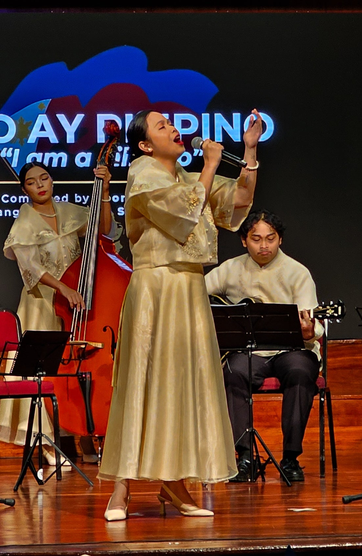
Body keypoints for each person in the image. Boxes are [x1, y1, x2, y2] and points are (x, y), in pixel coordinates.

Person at [98, 109, 262, 521]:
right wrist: (207, 165)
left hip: (188, 288)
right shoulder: (142, 171)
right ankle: (121, 488)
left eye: (172, 123)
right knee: (142, 380)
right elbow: (181, 212)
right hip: (155, 287)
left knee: (183, 384)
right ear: (146, 144)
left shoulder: (189, 177)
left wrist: (250, 150)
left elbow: (237, 203)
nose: (174, 128)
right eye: (161, 126)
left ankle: (175, 485)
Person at [0, 161, 115, 467]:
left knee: (78, 367)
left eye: (45, 178)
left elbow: (103, 230)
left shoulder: (69, 211)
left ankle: (87, 433)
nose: (40, 184)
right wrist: (63, 287)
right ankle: (48, 442)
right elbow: (30, 266)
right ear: (23, 189)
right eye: (32, 182)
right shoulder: (24, 220)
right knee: (46, 372)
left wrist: (103, 190)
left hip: (75, 305)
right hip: (42, 303)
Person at [204, 209, 324, 482]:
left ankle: (291, 458)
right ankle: (245, 457)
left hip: (290, 350)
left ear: (280, 239)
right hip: (249, 350)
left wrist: (308, 330)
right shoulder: (231, 269)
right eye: (256, 239)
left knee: (300, 371)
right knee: (233, 373)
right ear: (244, 241)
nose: (264, 245)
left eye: (270, 238)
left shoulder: (297, 272)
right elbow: (198, 292)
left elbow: (313, 324)